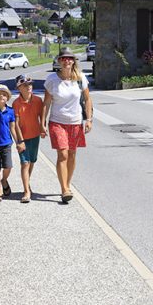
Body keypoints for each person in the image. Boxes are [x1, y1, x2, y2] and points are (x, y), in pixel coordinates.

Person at [42, 47, 93, 203]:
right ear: (59, 61)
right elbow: (46, 103)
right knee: (63, 154)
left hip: (76, 122)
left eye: (69, 58)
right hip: (57, 122)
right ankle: (64, 189)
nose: (67, 61)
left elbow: (88, 99)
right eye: (63, 58)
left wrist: (89, 119)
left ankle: (67, 184)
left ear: (73, 61)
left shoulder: (80, 78)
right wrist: (42, 122)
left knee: (72, 154)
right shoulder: (52, 80)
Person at [12, 74, 46, 203]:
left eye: (30, 84)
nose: (28, 87)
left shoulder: (37, 100)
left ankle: (27, 183)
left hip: (35, 136)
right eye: (25, 85)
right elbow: (16, 123)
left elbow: (41, 116)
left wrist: (43, 128)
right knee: (24, 163)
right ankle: (26, 191)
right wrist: (20, 141)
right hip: (23, 138)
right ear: (19, 88)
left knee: (32, 162)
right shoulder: (16, 103)